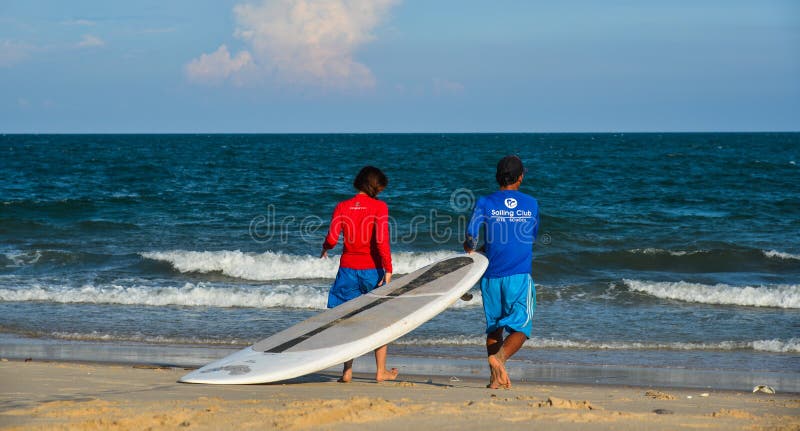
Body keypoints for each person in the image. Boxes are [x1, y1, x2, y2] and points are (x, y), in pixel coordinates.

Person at [463, 155, 540, 389]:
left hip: (490, 276)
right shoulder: (531, 203)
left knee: (494, 326)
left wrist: (470, 249)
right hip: (518, 275)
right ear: (520, 177)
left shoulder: (485, 202)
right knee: (522, 328)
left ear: (498, 177)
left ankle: (494, 379)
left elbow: (471, 235)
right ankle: (500, 359)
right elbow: (531, 236)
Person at [320, 165, 399, 383]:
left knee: (347, 320)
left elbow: (333, 239)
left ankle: (347, 371)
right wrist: (389, 268)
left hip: (347, 270)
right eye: (380, 187)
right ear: (374, 186)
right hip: (372, 271)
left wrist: (325, 247)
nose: (381, 192)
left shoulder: (342, 206)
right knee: (379, 320)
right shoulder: (379, 207)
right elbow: (382, 240)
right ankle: (381, 371)